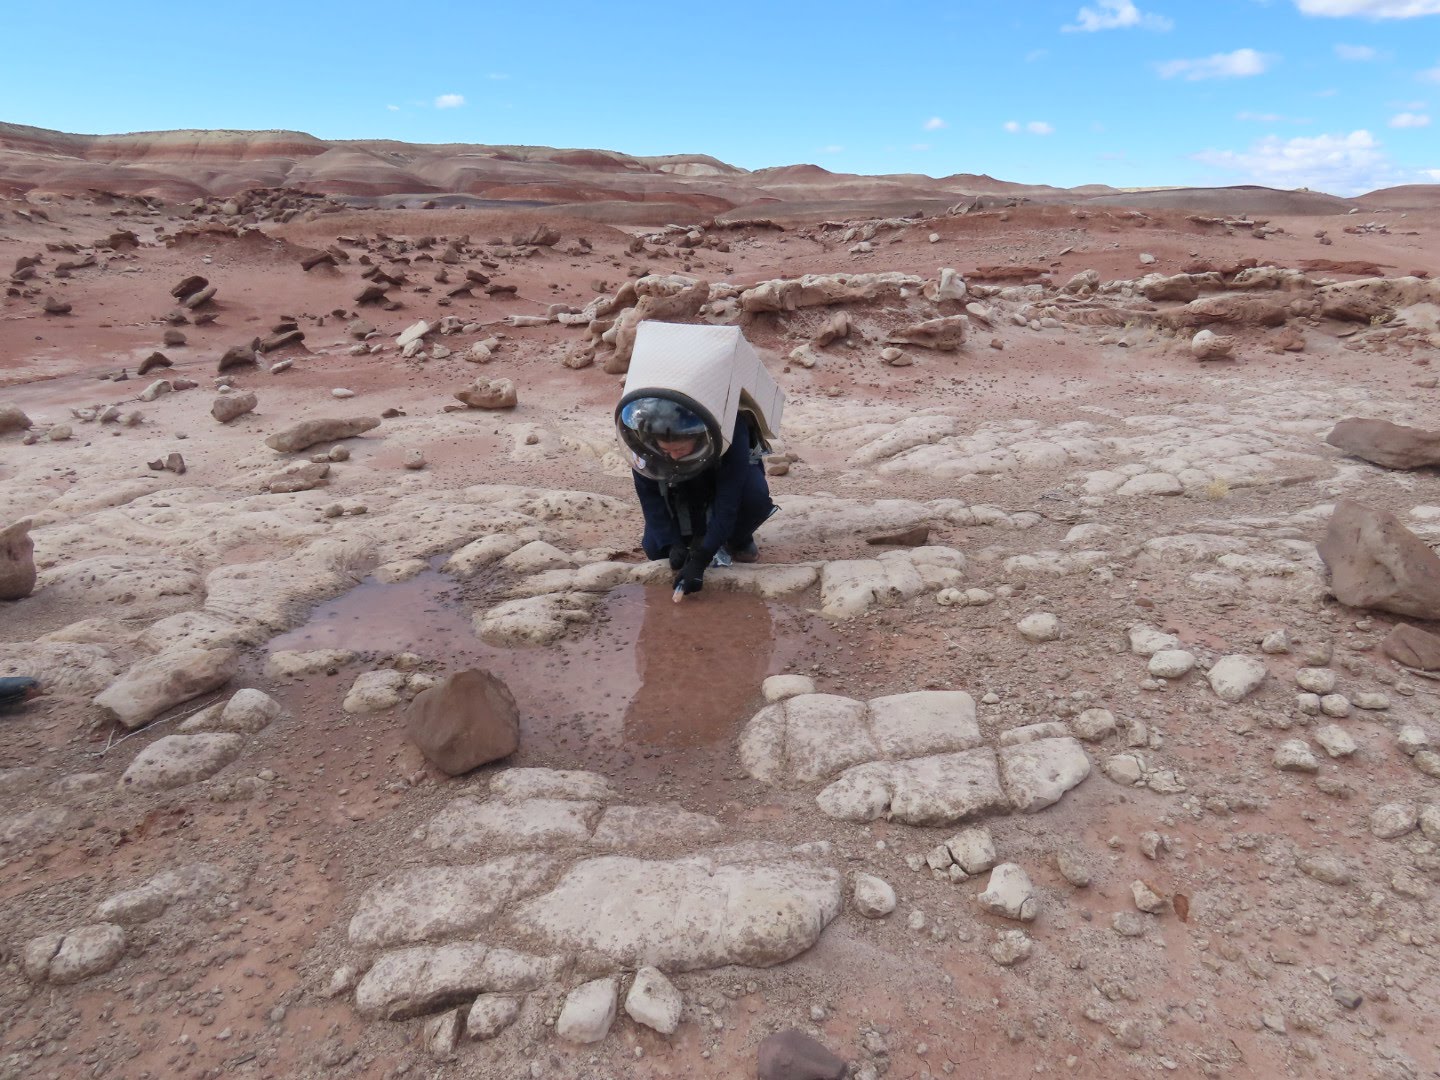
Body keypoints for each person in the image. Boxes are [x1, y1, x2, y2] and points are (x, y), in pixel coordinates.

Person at [620, 398, 775, 596]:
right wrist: (671, 543)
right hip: (679, 488)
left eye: (680, 450)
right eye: (666, 450)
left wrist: (703, 556)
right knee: (655, 550)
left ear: (700, 436)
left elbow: (729, 498)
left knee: (755, 497)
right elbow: (649, 497)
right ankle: (690, 536)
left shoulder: (730, 428)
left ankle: (738, 539)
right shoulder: (643, 443)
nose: (674, 456)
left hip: (719, 478)